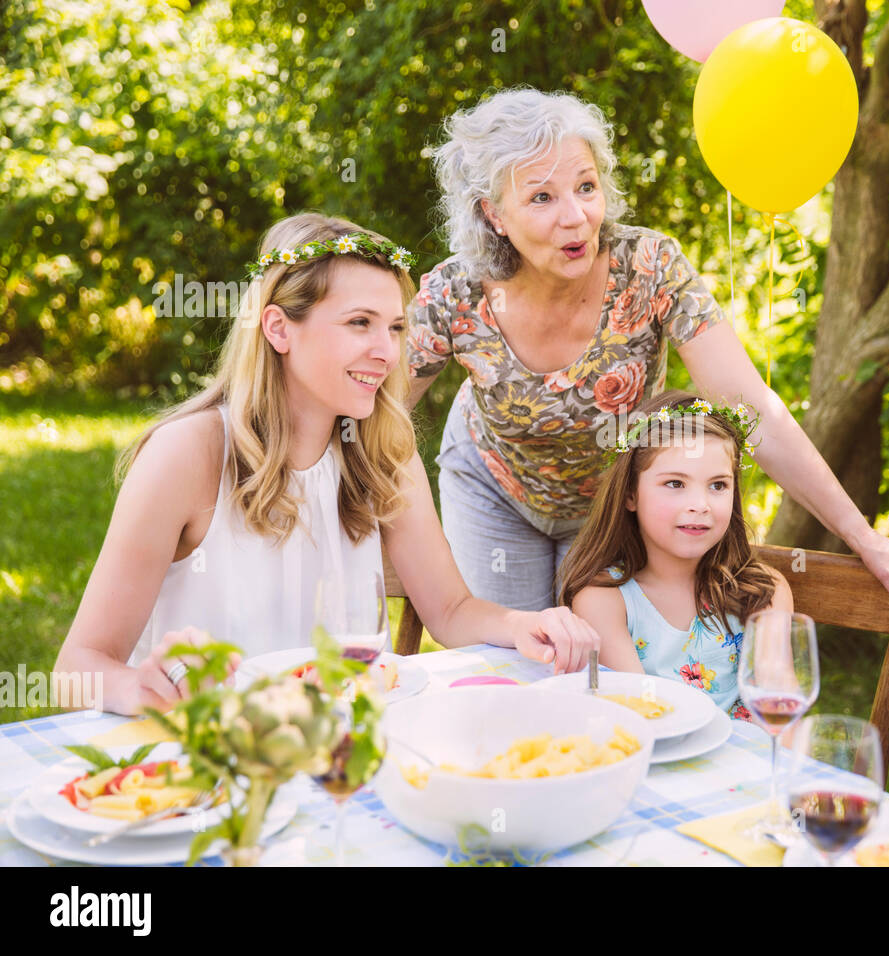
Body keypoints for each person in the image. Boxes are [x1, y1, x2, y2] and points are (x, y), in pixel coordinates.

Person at [54, 213, 598, 717]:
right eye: (359, 323)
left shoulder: (384, 449)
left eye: (395, 328)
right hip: (217, 760)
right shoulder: (187, 456)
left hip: (343, 757)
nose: (387, 351)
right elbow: (75, 669)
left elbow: (451, 611)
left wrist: (527, 624)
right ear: (278, 329)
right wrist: (142, 688)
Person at [407, 87, 889, 613]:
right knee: (515, 663)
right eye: (542, 197)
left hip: (612, 502)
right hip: (495, 490)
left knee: (603, 674)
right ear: (493, 214)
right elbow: (374, 411)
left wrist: (863, 536)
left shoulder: (649, 266)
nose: (576, 216)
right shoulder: (455, 292)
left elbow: (753, 407)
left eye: (586, 186)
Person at [558, 391, 792, 716]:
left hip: (752, 762)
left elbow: (780, 715)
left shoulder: (764, 591)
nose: (701, 504)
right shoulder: (604, 600)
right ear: (630, 495)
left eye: (718, 485)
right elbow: (638, 718)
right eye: (675, 484)